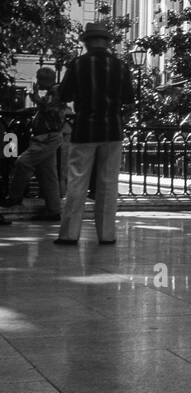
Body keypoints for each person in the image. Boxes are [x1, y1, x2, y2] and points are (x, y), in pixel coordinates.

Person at [55, 23, 133, 246]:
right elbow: (128, 97)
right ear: (107, 42)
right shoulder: (120, 66)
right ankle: (107, 235)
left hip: (84, 129)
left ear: (87, 42)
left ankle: (69, 234)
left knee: (77, 181)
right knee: (108, 184)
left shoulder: (78, 64)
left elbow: (64, 94)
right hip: (113, 130)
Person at [0, 66, 64, 220]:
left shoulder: (56, 90)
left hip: (47, 138)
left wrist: (35, 96)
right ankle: (53, 210)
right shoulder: (53, 91)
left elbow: (48, 108)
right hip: (46, 137)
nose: (36, 81)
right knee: (48, 174)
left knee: (23, 162)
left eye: (38, 77)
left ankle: (15, 196)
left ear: (43, 79)